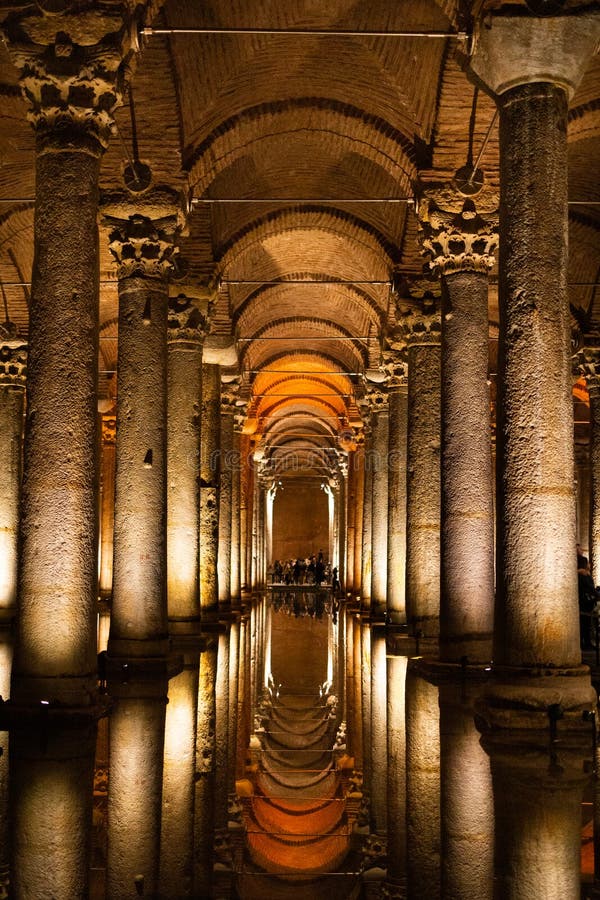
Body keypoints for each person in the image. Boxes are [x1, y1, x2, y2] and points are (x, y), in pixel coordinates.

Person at [578, 546, 595, 649]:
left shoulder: (583, 574)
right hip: (585, 602)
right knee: (585, 624)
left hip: (584, 601)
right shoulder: (584, 575)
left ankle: (586, 643)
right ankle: (586, 643)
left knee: (585, 623)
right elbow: (589, 588)